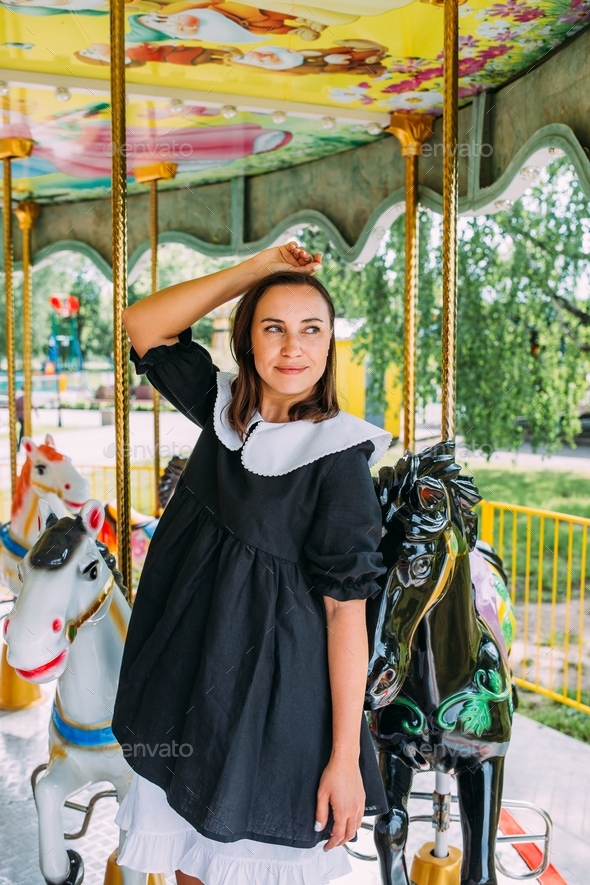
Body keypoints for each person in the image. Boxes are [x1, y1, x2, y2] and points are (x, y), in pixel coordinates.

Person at [111, 242, 392, 885]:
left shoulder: (338, 457)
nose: (293, 348)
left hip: (275, 704)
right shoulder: (223, 412)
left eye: (311, 330)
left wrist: (346, 756)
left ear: (328, 346)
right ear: (249, 341)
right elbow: (144, 324)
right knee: (188, 864)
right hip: (193, 686)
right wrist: (258, 270)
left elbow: (345, 613)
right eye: (274, 328)